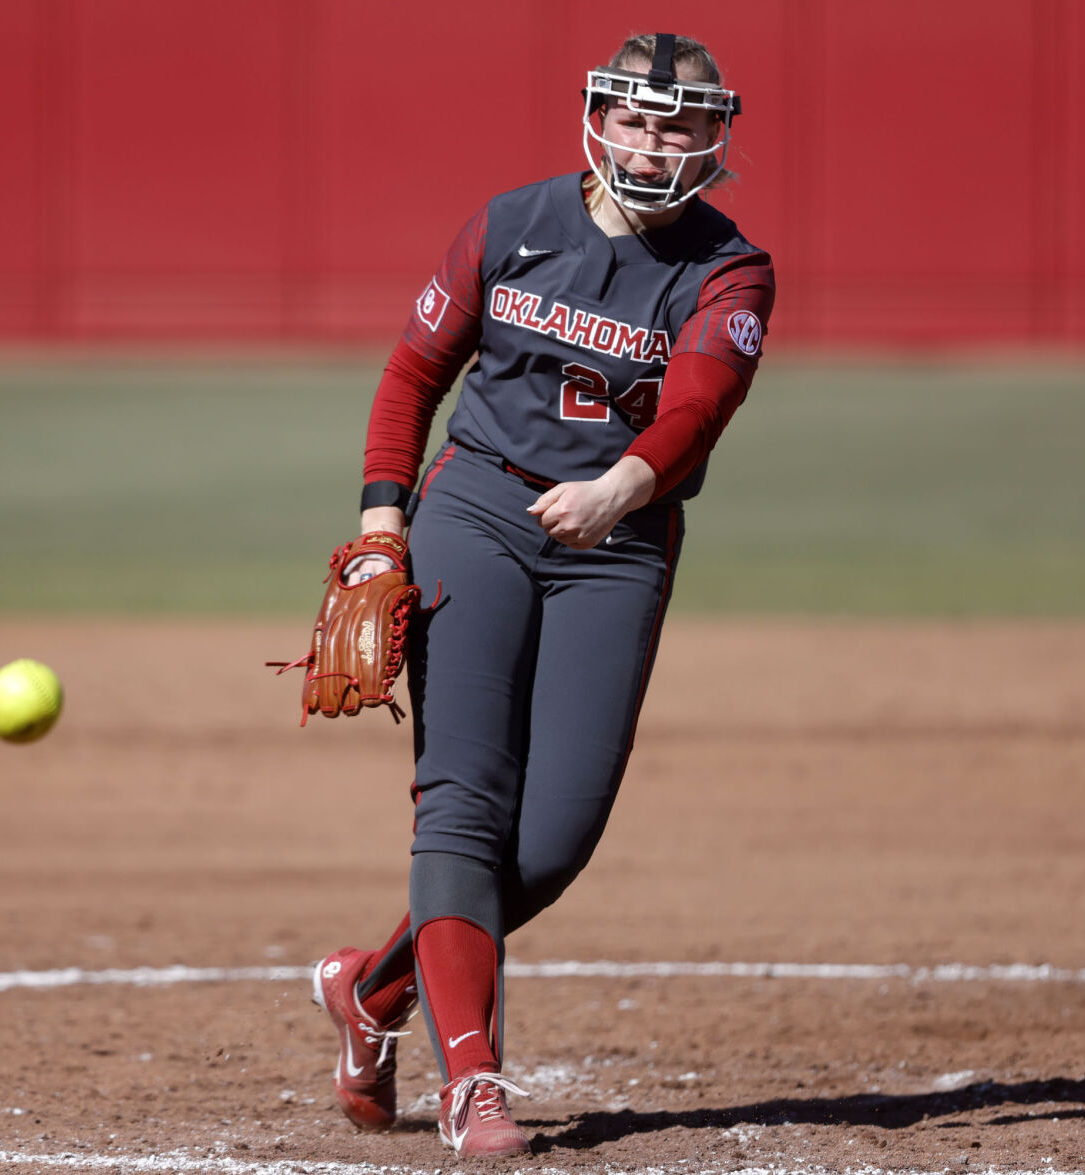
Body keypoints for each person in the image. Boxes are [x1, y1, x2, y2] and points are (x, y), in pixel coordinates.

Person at [310, 32, 775, 1160]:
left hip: (618, 538)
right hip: (473, 509)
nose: (652, 141)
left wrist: (621, 483)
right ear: (596, 119)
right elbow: (413, 373)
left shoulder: (729, 267)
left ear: (715, 135)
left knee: (553, 838)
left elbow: (698, 404)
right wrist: (383, 522)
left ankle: (372, 987)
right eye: (633, 117)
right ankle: (472, 1081)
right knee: (462, 795)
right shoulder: (510, 223)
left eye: (677, 123)